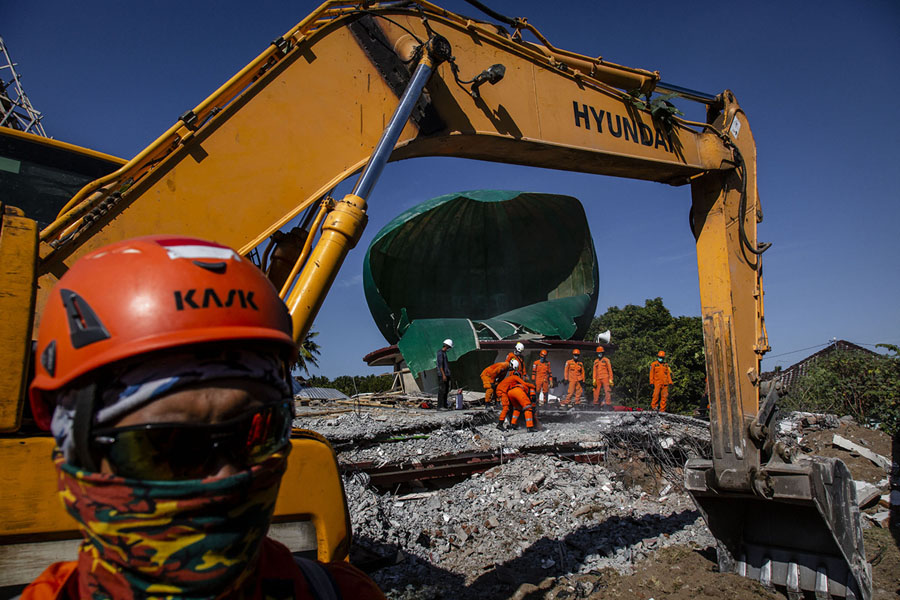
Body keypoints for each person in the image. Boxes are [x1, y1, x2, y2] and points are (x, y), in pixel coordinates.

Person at [22, 235, 384, 600]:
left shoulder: (344, 593)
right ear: (73, 445)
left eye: (257, 431)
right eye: (166, 445)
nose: (227, 475)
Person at [494, 361, 535, 431]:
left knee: (517, 408)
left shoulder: (510, 380)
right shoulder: (515, 378)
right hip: (507, 392)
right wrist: (533, 386)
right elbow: (524, 384)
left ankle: (513, 424)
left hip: (509, 393)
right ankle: (530, 427)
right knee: (527, 407)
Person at [437, 338, 453, 410]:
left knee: (446, 390)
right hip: (442, 375)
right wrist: (443, 375)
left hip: (446, 374)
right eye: (449, 347)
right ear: (446, 346)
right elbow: (440, 365)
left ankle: (444, 405)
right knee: (442, 390)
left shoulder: (444, 353)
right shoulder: (440, 353)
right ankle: (440, 406)